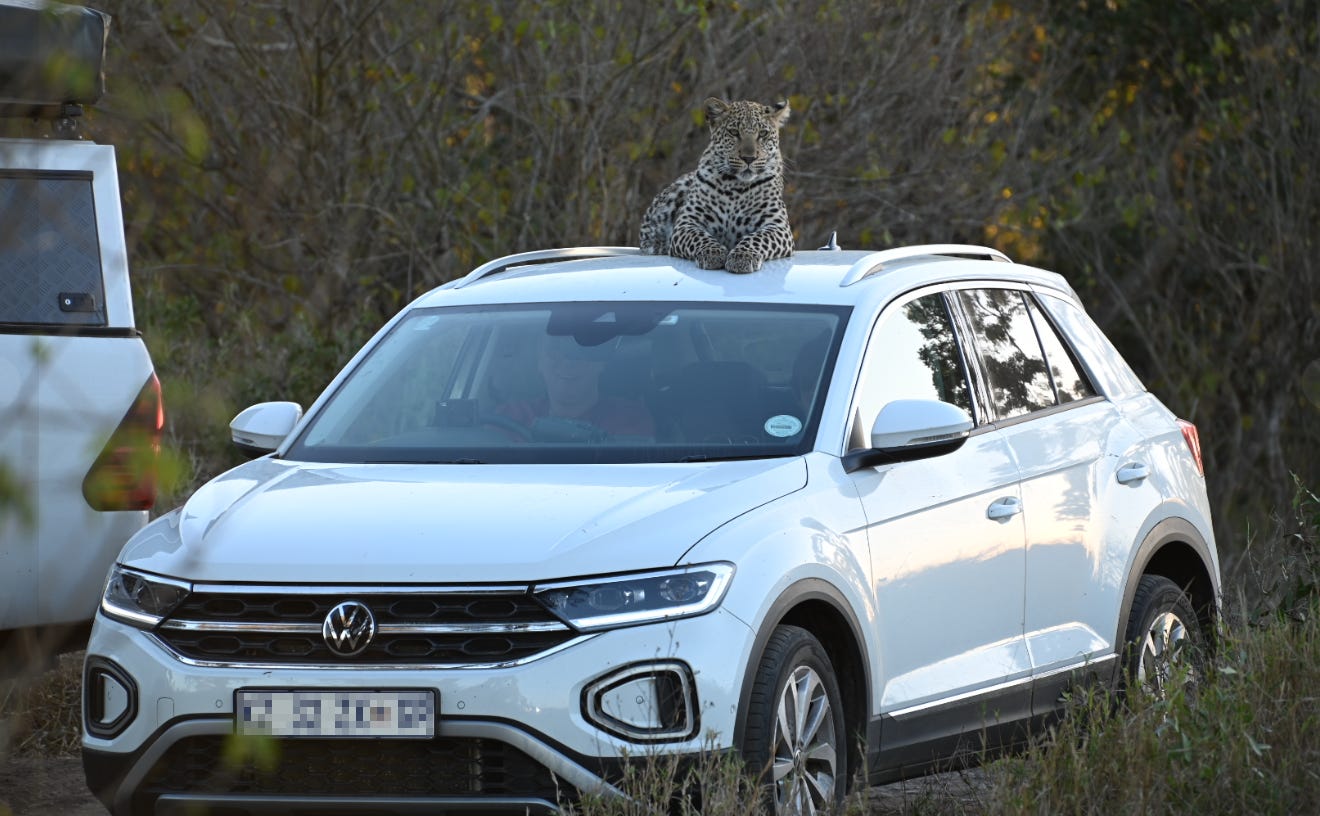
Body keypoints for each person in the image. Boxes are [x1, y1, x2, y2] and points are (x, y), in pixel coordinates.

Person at [497, 334, 654, 439]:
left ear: (600, 364)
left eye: (578, 352)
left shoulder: (629, 418)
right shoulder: (509, 417)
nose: (567, 362)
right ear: (539, 362)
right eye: (554, 350)